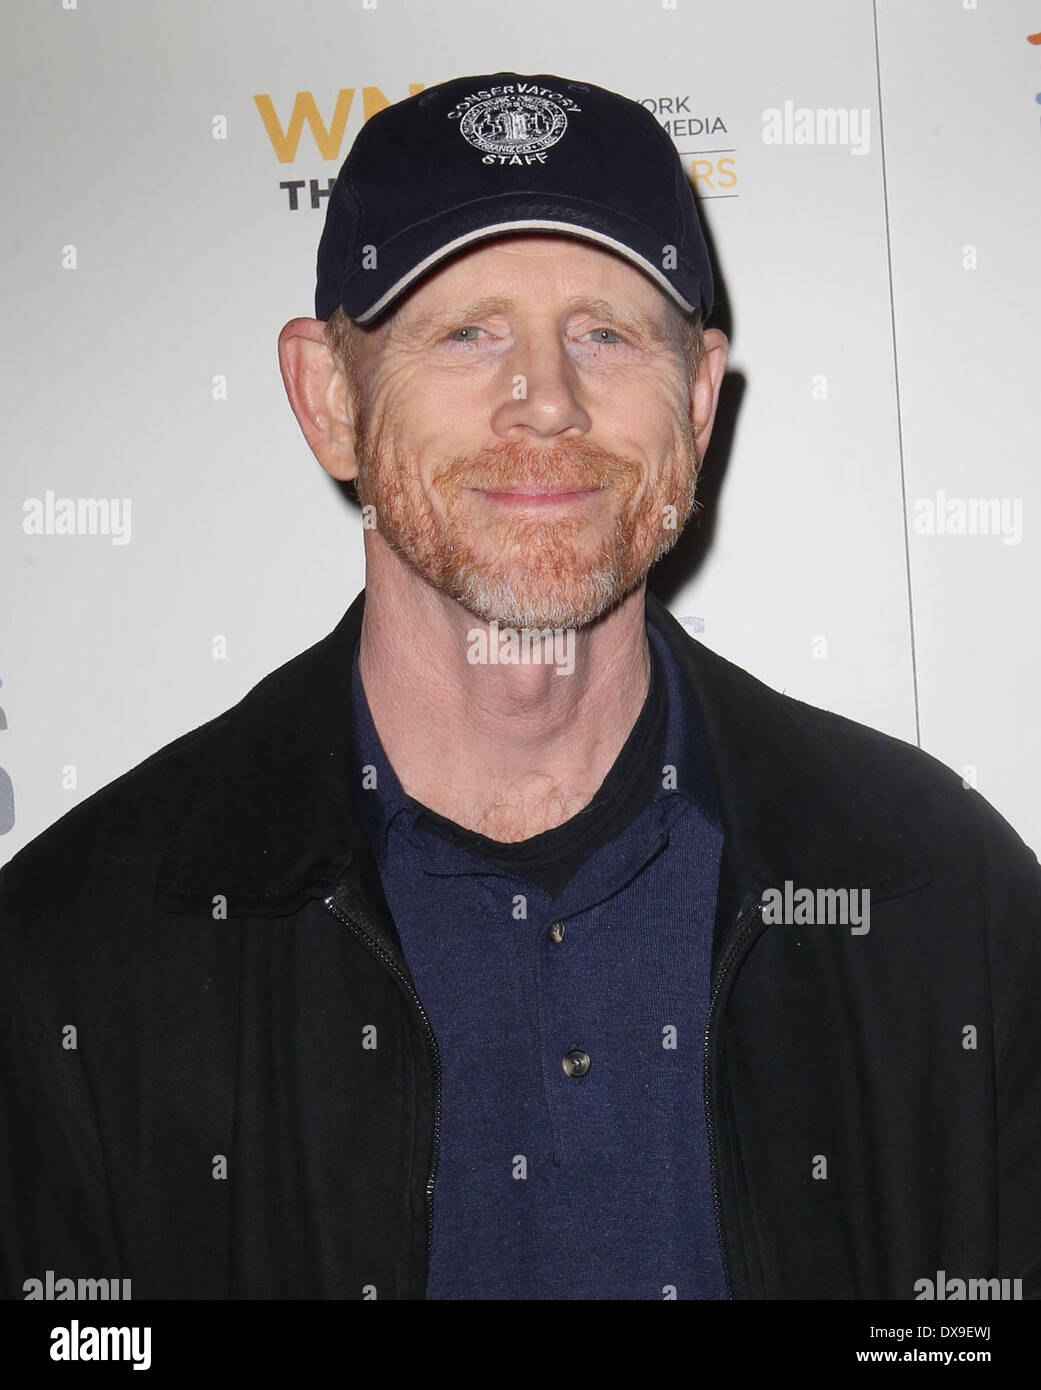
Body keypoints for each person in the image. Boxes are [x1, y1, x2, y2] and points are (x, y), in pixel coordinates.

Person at [1, 71, 1039, 1302]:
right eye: (466, 330)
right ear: (329, 398)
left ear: (698, 405)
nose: (545, 397)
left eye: (605, 332)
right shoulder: (78, 953)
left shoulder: (942, 897)